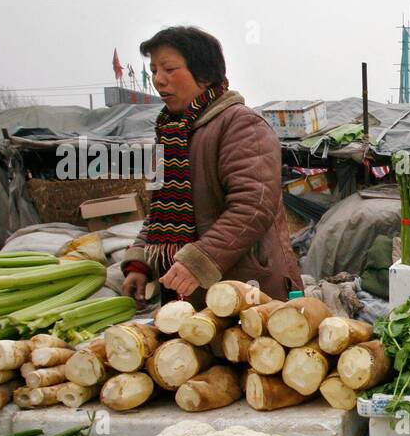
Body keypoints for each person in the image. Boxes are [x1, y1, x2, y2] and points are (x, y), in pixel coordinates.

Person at [120, 26, 300, 304]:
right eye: (154, 70)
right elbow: (158, 212)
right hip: (185, 291)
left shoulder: (241, 125)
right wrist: (140, 263)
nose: (158, 80)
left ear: (204, 75)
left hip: (247, 288)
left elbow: (253, 206)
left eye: (169, 69)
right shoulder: (167, 133)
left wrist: (201, 259)